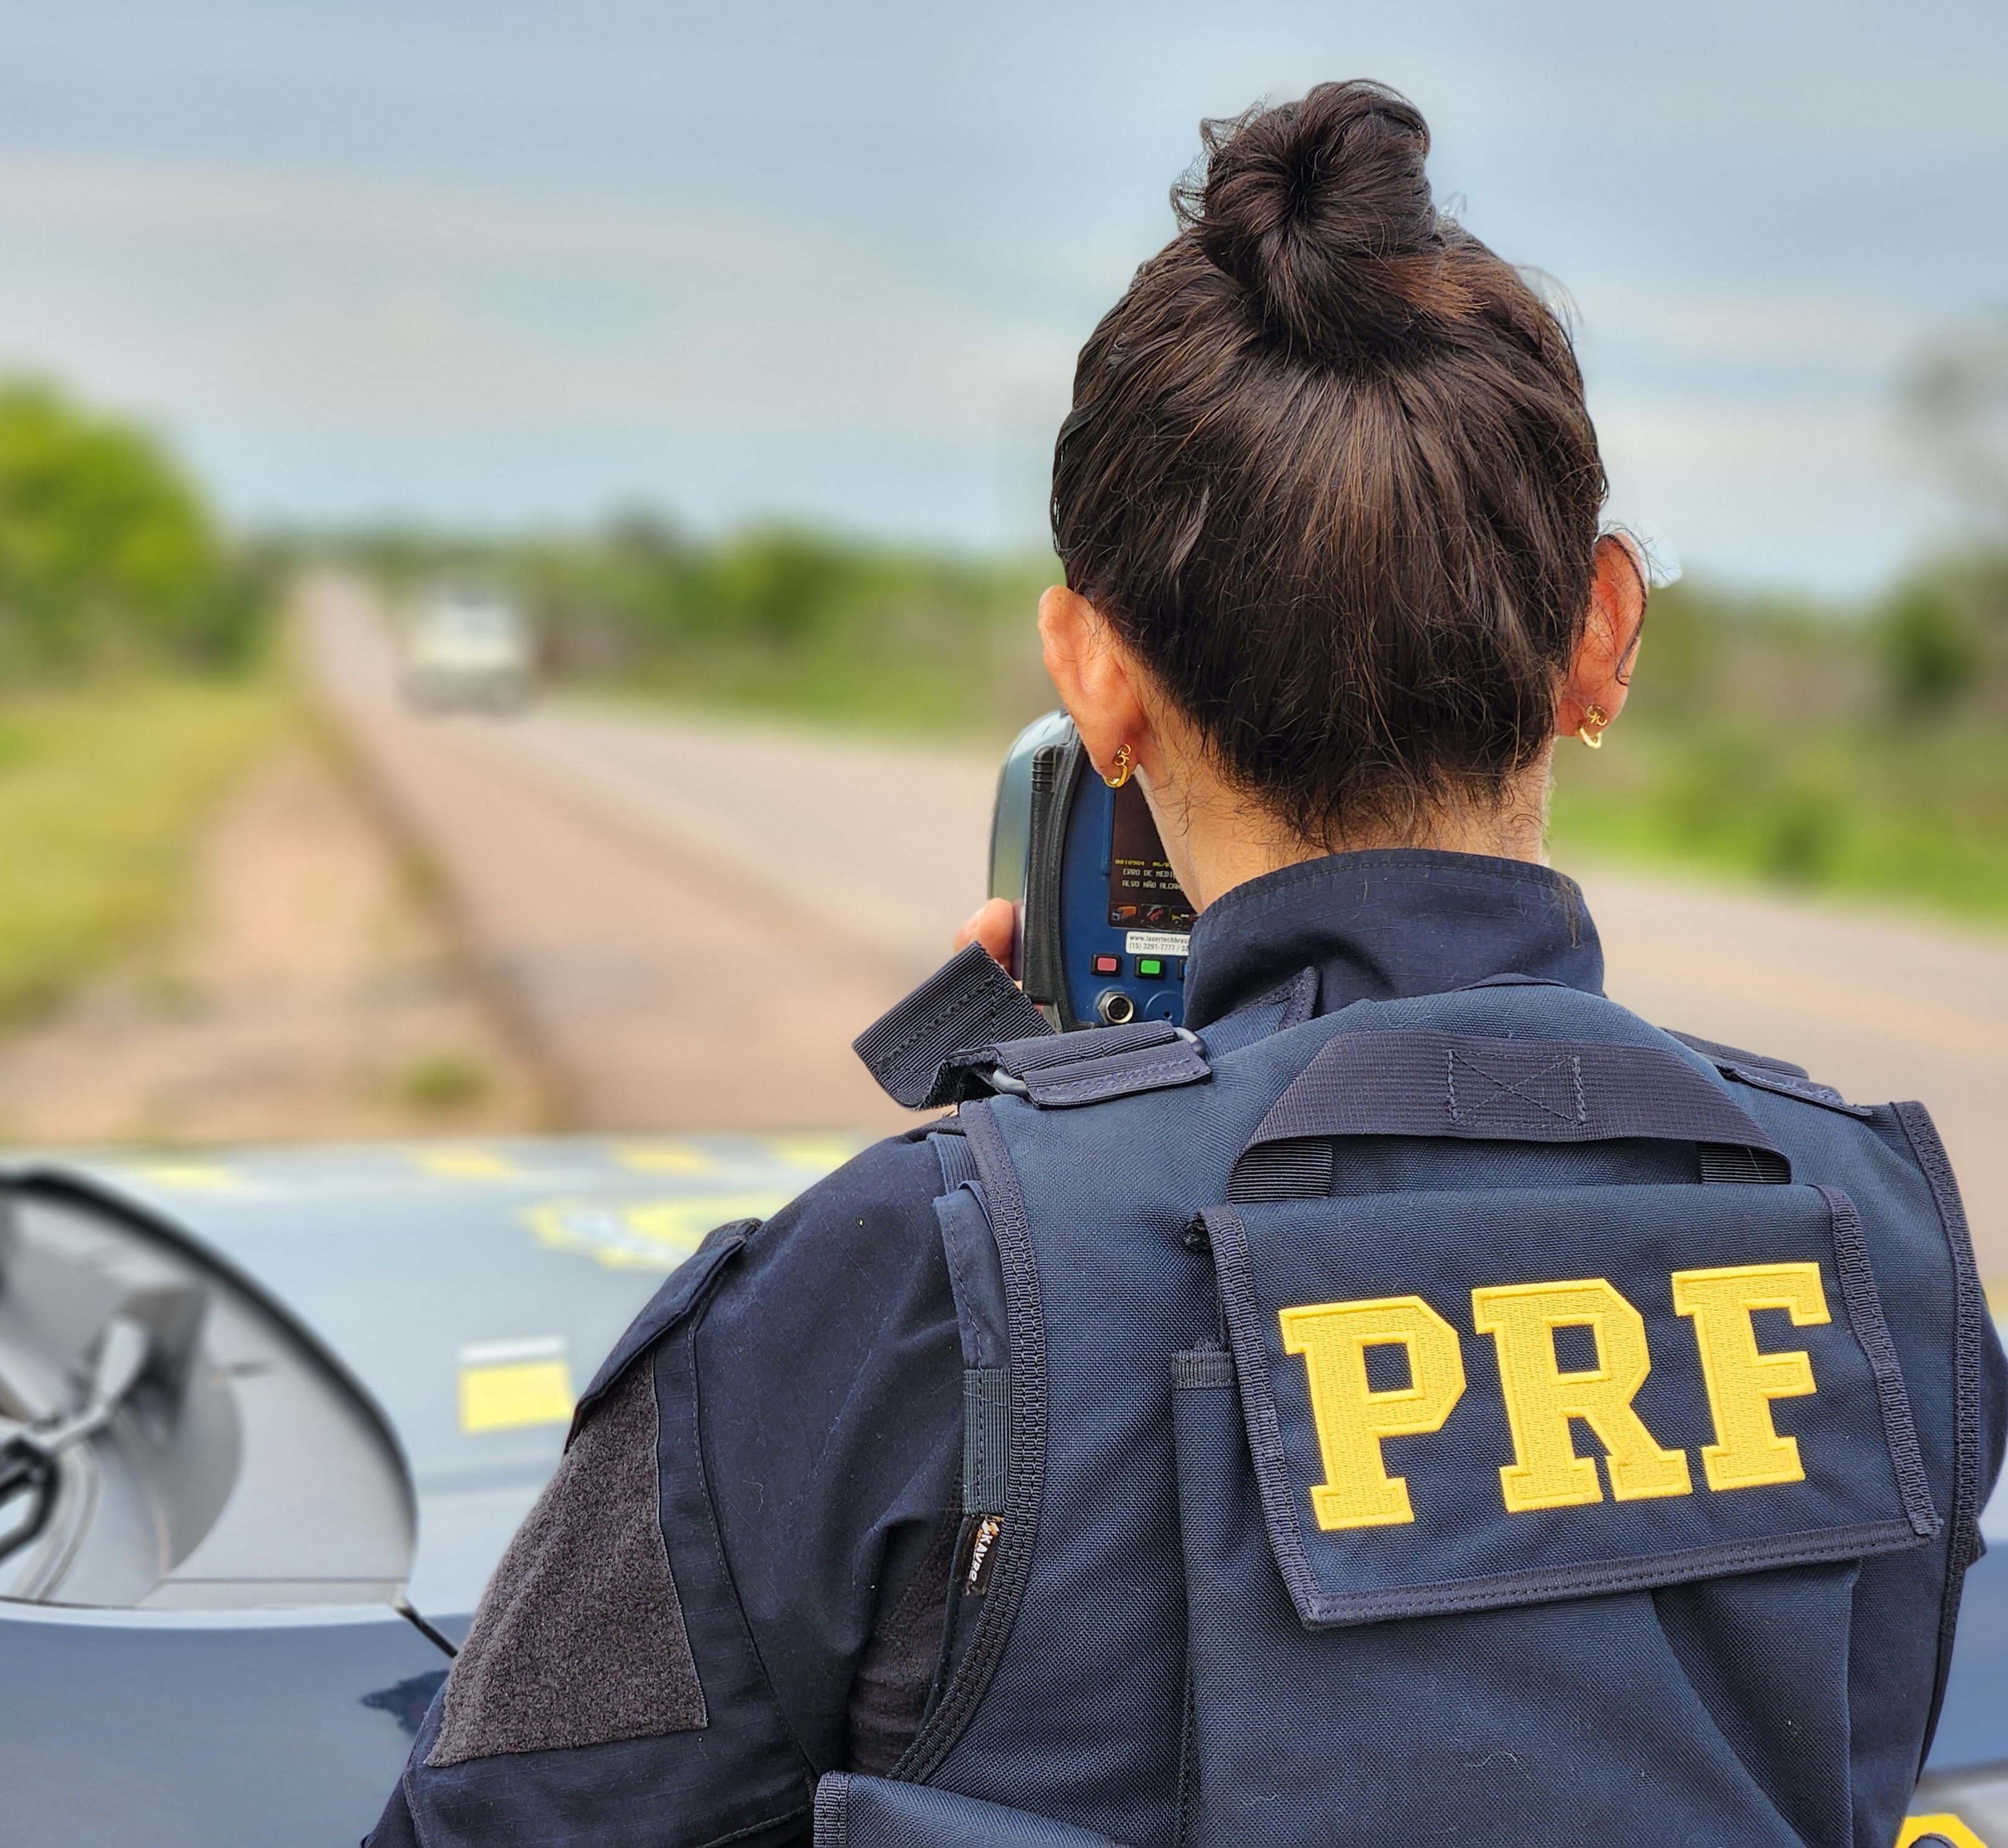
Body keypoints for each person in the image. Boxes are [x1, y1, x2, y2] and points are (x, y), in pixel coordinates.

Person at [367, 79, 2006, 1848]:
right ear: (1599, 638)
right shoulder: (1882, 1245)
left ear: (1098, 675)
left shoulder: (897, 1292)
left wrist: (1041, 1166)